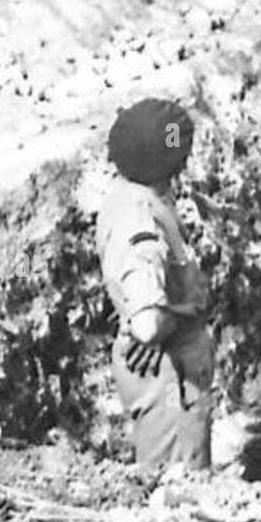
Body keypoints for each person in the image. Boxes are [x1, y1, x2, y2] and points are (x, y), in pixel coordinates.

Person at [95, 97, 214, 470]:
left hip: (166, 372)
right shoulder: (140, 223)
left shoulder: (126, 195)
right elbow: (147, 323)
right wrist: (169, 323)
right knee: (179, 488)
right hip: (169, 379)